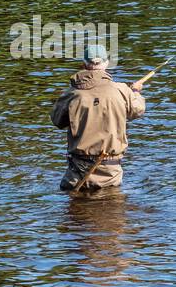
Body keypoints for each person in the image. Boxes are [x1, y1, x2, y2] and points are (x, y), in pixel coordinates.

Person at [50, 43, 146, 191]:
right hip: (111, 172)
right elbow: (138, 110)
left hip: (77, 173)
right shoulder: (122, 90)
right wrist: (135, 93)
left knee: (76, 211)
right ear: (106, 63)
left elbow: (57, 121)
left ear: (84, 64)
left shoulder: (71, 94)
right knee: (113, 211)